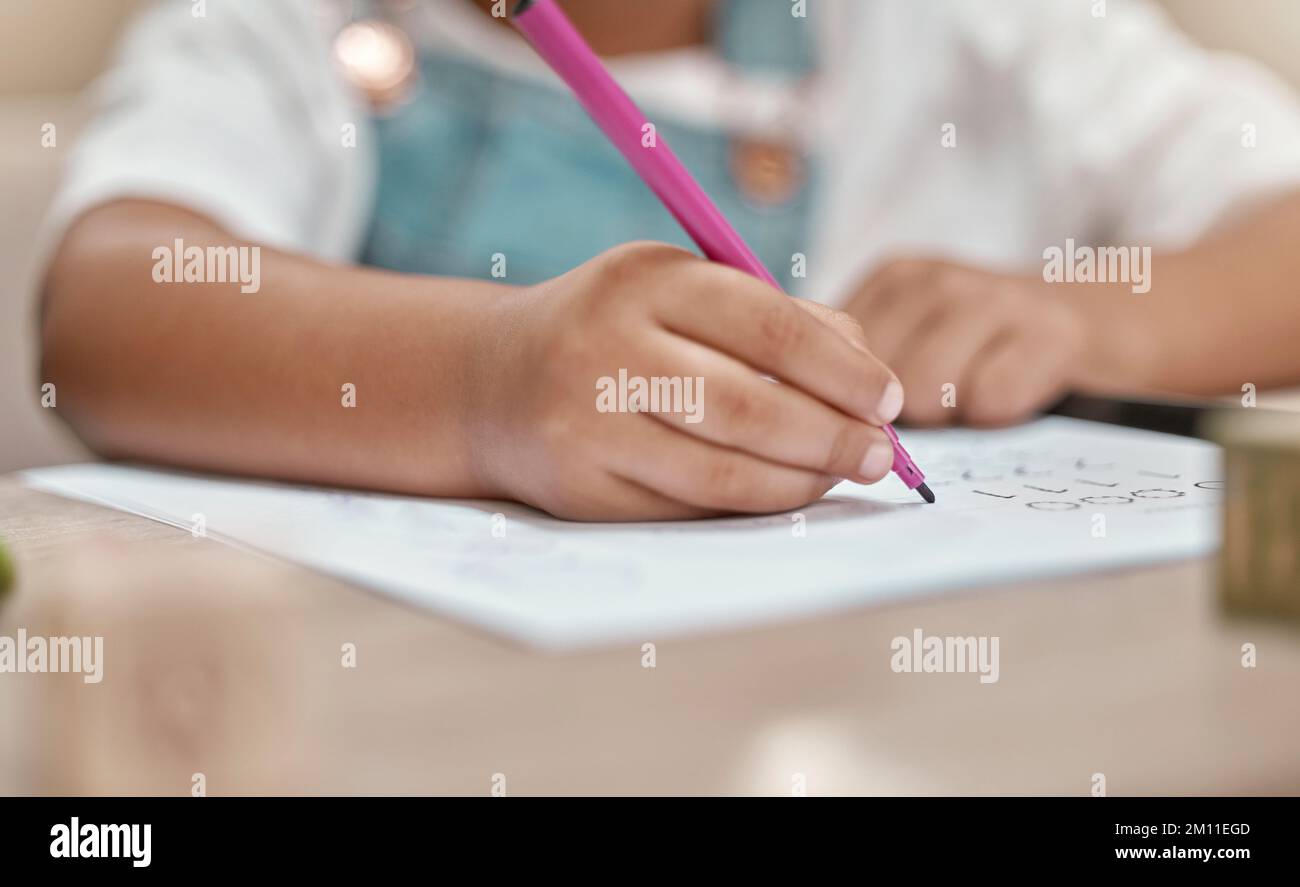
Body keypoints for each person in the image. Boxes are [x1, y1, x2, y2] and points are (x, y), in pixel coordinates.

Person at [38, 0, 1300, 520]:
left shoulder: (965, 30)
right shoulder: (291, 29)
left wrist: (1090, 318)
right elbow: (109, 306)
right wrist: (482, 388)